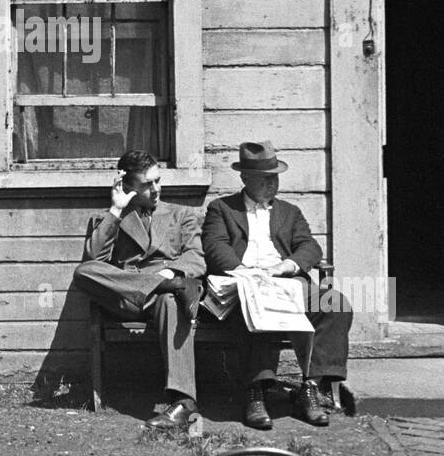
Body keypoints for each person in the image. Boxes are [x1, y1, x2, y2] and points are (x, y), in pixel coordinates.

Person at [202, 141, 353, 431]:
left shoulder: (290, 212)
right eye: (264, 178)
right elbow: (215, 247)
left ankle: (310, 388)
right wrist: (247, 274)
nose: (272, 184)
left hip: (287, 282)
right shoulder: (222, 208)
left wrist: (286, 266)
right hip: (244, 282)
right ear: (245, 178)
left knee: (336, 304)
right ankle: (255, 393)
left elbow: (309, 246)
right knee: (253, 308)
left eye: (275, 177)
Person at [73, 149, 206, 431]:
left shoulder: (182, 215)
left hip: (169, 294)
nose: (157, 189)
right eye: (148, 184)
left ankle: (183, 403)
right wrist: (116, 209)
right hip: (130, 298)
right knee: (83, 272)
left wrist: (169, 274)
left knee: (172, 300)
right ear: (128, 186)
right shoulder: (115, 218)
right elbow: (94, 261)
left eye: (158, 181)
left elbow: (196, 258)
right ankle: (165, 285)